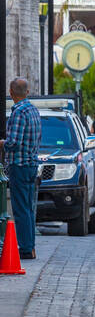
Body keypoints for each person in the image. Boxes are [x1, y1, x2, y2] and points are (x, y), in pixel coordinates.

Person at [1, 78, 41, 259]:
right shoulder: (33, 110)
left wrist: (2, 143)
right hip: (31, 163)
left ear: (11, 92)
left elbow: (13, 142)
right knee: (28, 208)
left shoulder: (18, 112)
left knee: (20, 209)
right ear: (27, 92)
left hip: (19, 164)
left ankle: (25, 248)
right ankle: (30, 246)